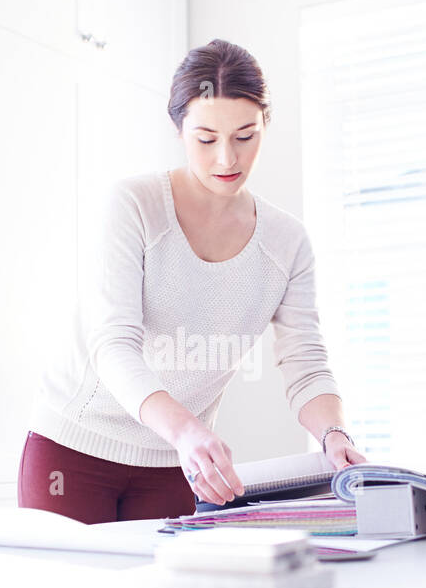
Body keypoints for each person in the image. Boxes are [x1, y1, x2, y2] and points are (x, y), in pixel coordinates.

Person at [18, 38, 365, 524]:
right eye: (206, 139)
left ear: (266, 123)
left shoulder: (287, 243)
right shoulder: (134, 205)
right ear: (179, 129)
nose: (227, 159)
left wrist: (335, 436)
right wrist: (185, 431)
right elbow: (114, 343)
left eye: (245, 136)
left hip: (173, 463)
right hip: (75, 449)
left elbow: (305, 363)